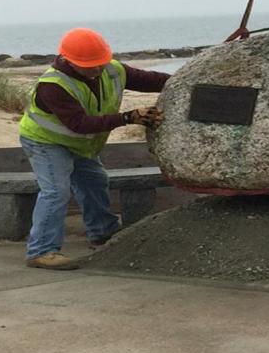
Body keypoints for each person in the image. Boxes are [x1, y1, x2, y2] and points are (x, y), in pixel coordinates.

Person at [20, 28, 168, 270]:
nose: (97, 69)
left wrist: (184, 79)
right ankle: (41, 251)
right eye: (89, 65)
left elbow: (150, 80)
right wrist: (128, 117)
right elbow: (79, 124)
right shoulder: (53, 85)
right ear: (68, 60)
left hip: (80, 143)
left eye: (100, 62)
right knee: (56, 191)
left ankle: (103, 232)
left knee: (94, 181)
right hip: (46, 141)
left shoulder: (112, 69)